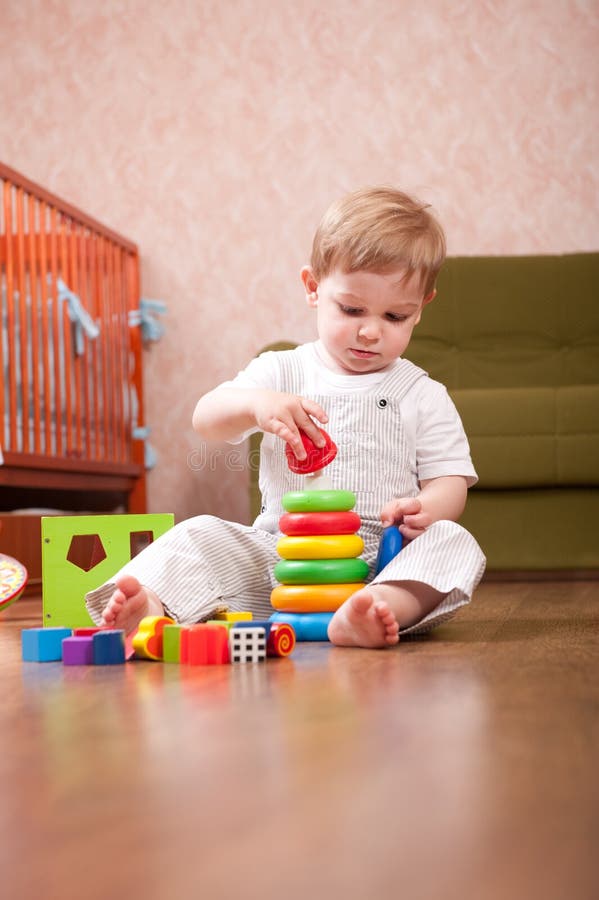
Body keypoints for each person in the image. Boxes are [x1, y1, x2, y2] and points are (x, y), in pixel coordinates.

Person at [86, 186, 486, 648]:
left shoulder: (421, 393)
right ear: (314, 288)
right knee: (198, 531)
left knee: (454, 542)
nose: (371, 330)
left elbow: (450, 481)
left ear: (421, 309)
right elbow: (206, 418)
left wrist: (426, 509)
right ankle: (150, 607)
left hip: (380, 560)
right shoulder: (280, 370)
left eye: (395, 316)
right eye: (352, 308)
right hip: (281, 560)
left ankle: (375, 610)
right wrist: (258, 404)